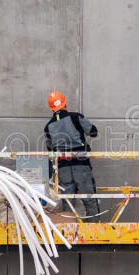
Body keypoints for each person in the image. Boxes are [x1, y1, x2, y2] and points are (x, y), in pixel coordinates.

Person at [44, 91, 100, 220]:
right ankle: (95, 231)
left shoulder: (48, 127)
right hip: (81, 165)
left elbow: (50, 148)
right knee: (89, 200)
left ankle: (69, 232)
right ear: (65, 103)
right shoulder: (75, 117)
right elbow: (93, 132)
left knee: (68, 202)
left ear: (51, 108)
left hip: (63, 168)